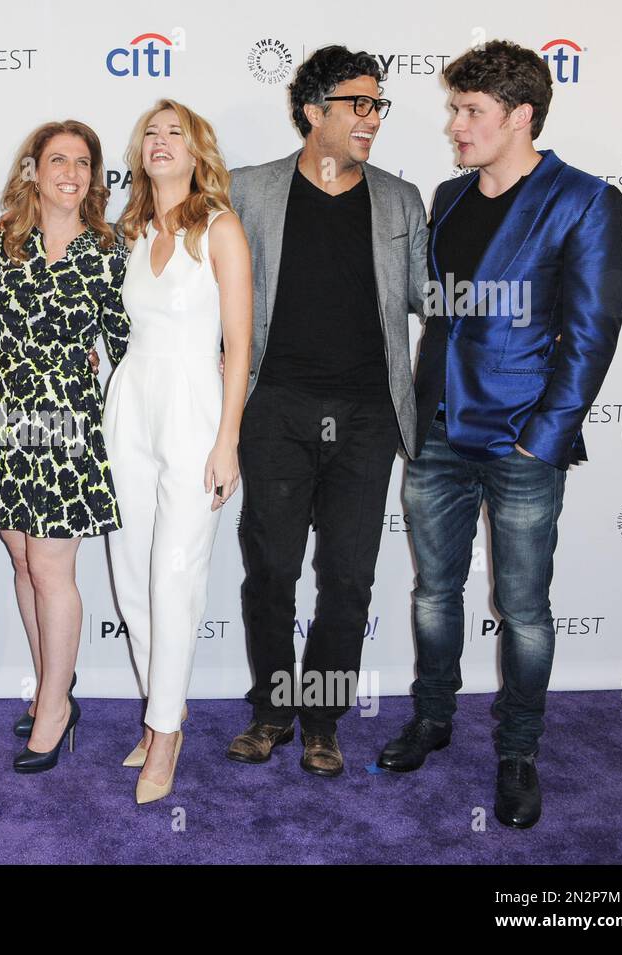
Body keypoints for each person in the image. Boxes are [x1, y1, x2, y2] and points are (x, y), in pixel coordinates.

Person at [377, 40, 622, 829]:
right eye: (455, 109)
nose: (455, 124)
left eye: (471, 111)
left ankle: (518, 750)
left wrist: (541, 439)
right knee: (431, 593)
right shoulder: (448, 197)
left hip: (521, 440)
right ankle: (433, 715)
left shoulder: (583, 200)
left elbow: (590, 336)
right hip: (437, 434)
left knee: (522, 608)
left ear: (521, 115)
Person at [226, 47, 428, 777]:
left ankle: (323, 719)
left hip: (368, 413)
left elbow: (427, 298)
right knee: (271, 568)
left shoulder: (401, 200)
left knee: (349, 575)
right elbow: (206, 292)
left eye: (379, 105)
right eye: (359, 104)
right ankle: (272, 711)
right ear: (315, 112)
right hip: (274, 406)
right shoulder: (248, 191)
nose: (372, 118)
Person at [104, 99, 251, 804]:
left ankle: (164, 733)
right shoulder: (132, 230)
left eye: (176, 135)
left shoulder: (220, 228)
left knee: (174, 575)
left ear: (198, 153)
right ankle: (168, 707)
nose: (161, 143)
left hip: (196, 412)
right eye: (151, 135)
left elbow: (239, 346)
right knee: (131, 575)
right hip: (130, 404)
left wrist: (229, 439)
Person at [0, 120, 129, 773]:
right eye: (57, 158)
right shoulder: (2, 240)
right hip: (3, 410)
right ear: (33, 169)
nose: (70, 170)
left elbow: (125, 340)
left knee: (51, 568)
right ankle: (51, 688)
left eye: (83, 161)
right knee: (20, 557)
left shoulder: (110, 247)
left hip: (68, 413)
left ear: (94, 176)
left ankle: (56, 710)